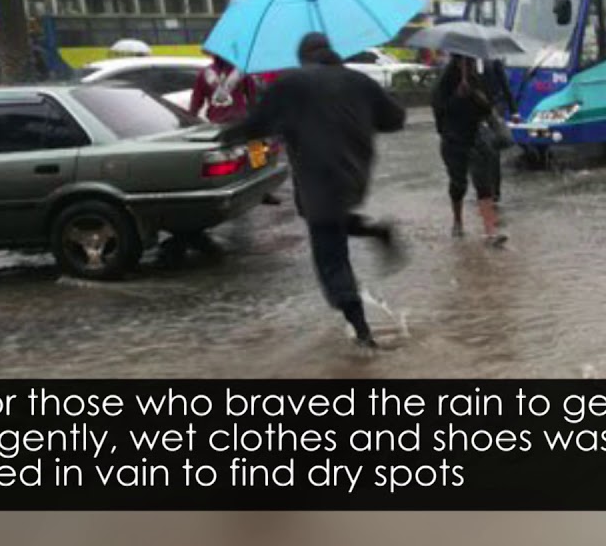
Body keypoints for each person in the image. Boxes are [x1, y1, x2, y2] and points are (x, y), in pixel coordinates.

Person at [222, 33, 406, 348]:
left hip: (318, 176)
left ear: (303, 57)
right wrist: (356, 120)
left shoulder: (291, 84)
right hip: (354, 175)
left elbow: (258, 124)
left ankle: (363, 335)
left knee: (330, 257)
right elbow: (396, 119)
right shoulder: (359, 81)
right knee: (323, 218)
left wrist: (228, 136)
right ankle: (376, 232)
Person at [432, 53, 506, 247]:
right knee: (458, 185)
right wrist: (457, 97)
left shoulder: (477, 81)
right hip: (453, 142)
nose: (470, 65)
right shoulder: (443, 85)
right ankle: (457, 220)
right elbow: (439, 117)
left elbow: (487, 109)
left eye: (472, 62)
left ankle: (490, 232)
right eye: (466, 62)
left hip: (476, 139)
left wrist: (478, 97)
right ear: (457, 63)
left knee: (484, 185)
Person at [475, 57, 514, 204]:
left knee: (492, 151)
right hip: (474, 112)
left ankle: (495, 190)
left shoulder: (493, 61)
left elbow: (504, 86)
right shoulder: (464, 63)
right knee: (477, 153)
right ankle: (482, 189)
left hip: (494, 109)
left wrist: (514, 111)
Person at [190, 54, 257, 124]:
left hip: (215, 121)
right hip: (238, 122)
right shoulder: (241, 71)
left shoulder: (204, 73)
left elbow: (196, 102)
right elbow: (252, 98)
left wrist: (191, 117)